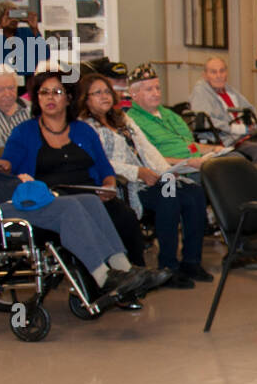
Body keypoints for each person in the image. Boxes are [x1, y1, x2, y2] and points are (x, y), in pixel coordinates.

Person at [0, 91, 166, 314]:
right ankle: (104, 278)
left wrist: (14, 178)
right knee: (69, 207)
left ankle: (125, 271)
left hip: (10, 197)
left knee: (89, 201)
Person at [2, 70, 155, 281]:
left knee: (124, 215)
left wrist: (109, 185)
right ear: (36, 98)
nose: (50, 97)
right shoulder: (24, 132)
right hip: (52, 197)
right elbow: (8, 165)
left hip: (90, 192)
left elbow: (105, 168)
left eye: (57, 91)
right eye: (43, 92)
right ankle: (105, 278)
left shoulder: (83, 130)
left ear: (69, 97)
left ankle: (131, 272)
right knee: (80, 209)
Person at [79, 72, 212, 287]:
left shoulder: (122, 118)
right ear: (85, 98)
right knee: (169, 198)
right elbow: (100, 162)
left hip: (152, 176)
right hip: (129, 183)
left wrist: (166, 170)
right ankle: (168, 266)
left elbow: (147, 149)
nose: (104, 96)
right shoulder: (85, 126)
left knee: (193, 193)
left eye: (106, 91)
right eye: (97, 93)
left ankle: (191, 261)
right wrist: (137, 172)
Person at [125, 64, 223, 164]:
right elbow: (146, 160)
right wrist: (186, 163)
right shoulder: (131, 121)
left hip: (197, 165)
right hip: (171, 173)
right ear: (134, 94)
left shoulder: (170, 115)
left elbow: (190, 145)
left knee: (231, 159)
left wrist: (213, 149)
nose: (156, 93)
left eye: (158, 88)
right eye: (149, 89)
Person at [186, 56, 257, 159]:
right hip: (227, 141)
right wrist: (236, 129)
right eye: (213, 72)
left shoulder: (229, 90)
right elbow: (204, 120)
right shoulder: (201, 91)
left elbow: (250, 109)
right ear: (205, 75)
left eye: (222, 71)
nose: (219, 76)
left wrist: (252, 123)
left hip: (246, 136)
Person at [0, 0, 46, 79]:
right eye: (9, 15)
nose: (13, 19)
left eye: (16, 15)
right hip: (0, 82)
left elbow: (45, 55)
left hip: (27, 82)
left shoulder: (27, 33)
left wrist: (35, 29)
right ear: (0, 18)